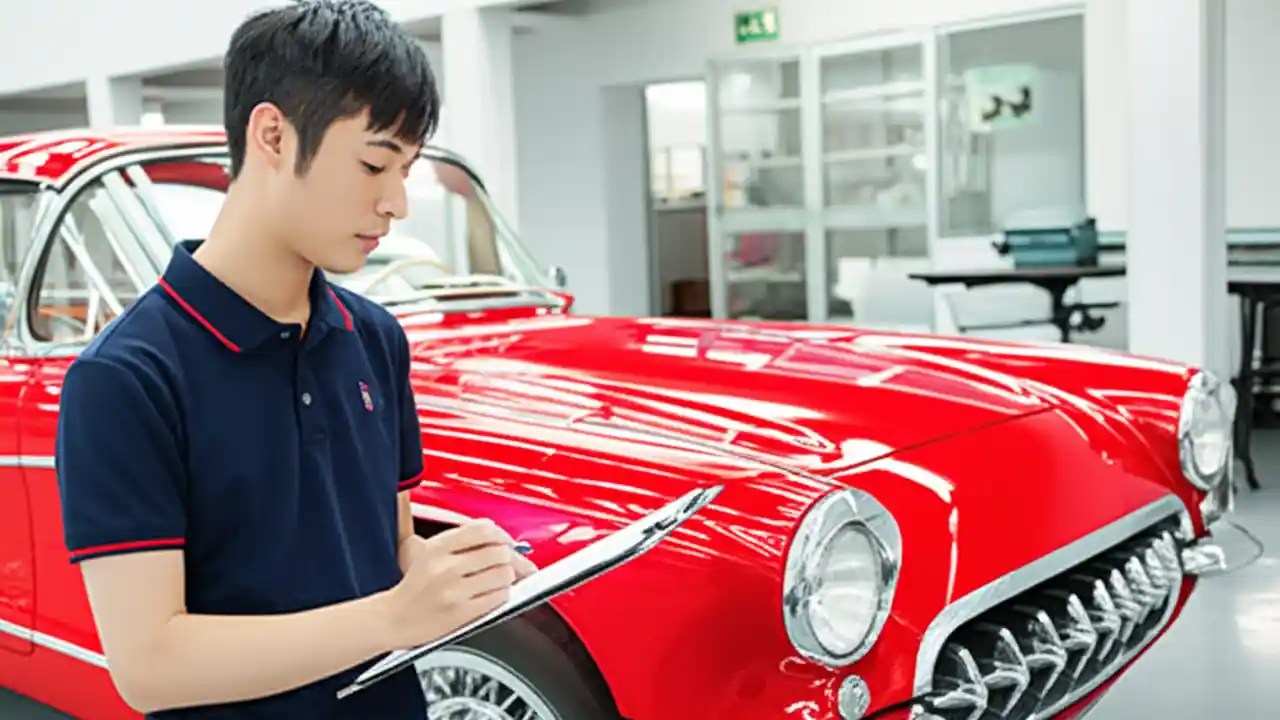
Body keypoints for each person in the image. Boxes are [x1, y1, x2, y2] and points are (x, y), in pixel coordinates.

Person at [52, 1, 535, 718]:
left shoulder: (373, 337)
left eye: (405, 169)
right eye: (374, 162)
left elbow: (388, 549)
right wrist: (394, 617)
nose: (396, 201)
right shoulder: (125, 380)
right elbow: (150, 664)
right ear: (272, 134)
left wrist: (449, 578)